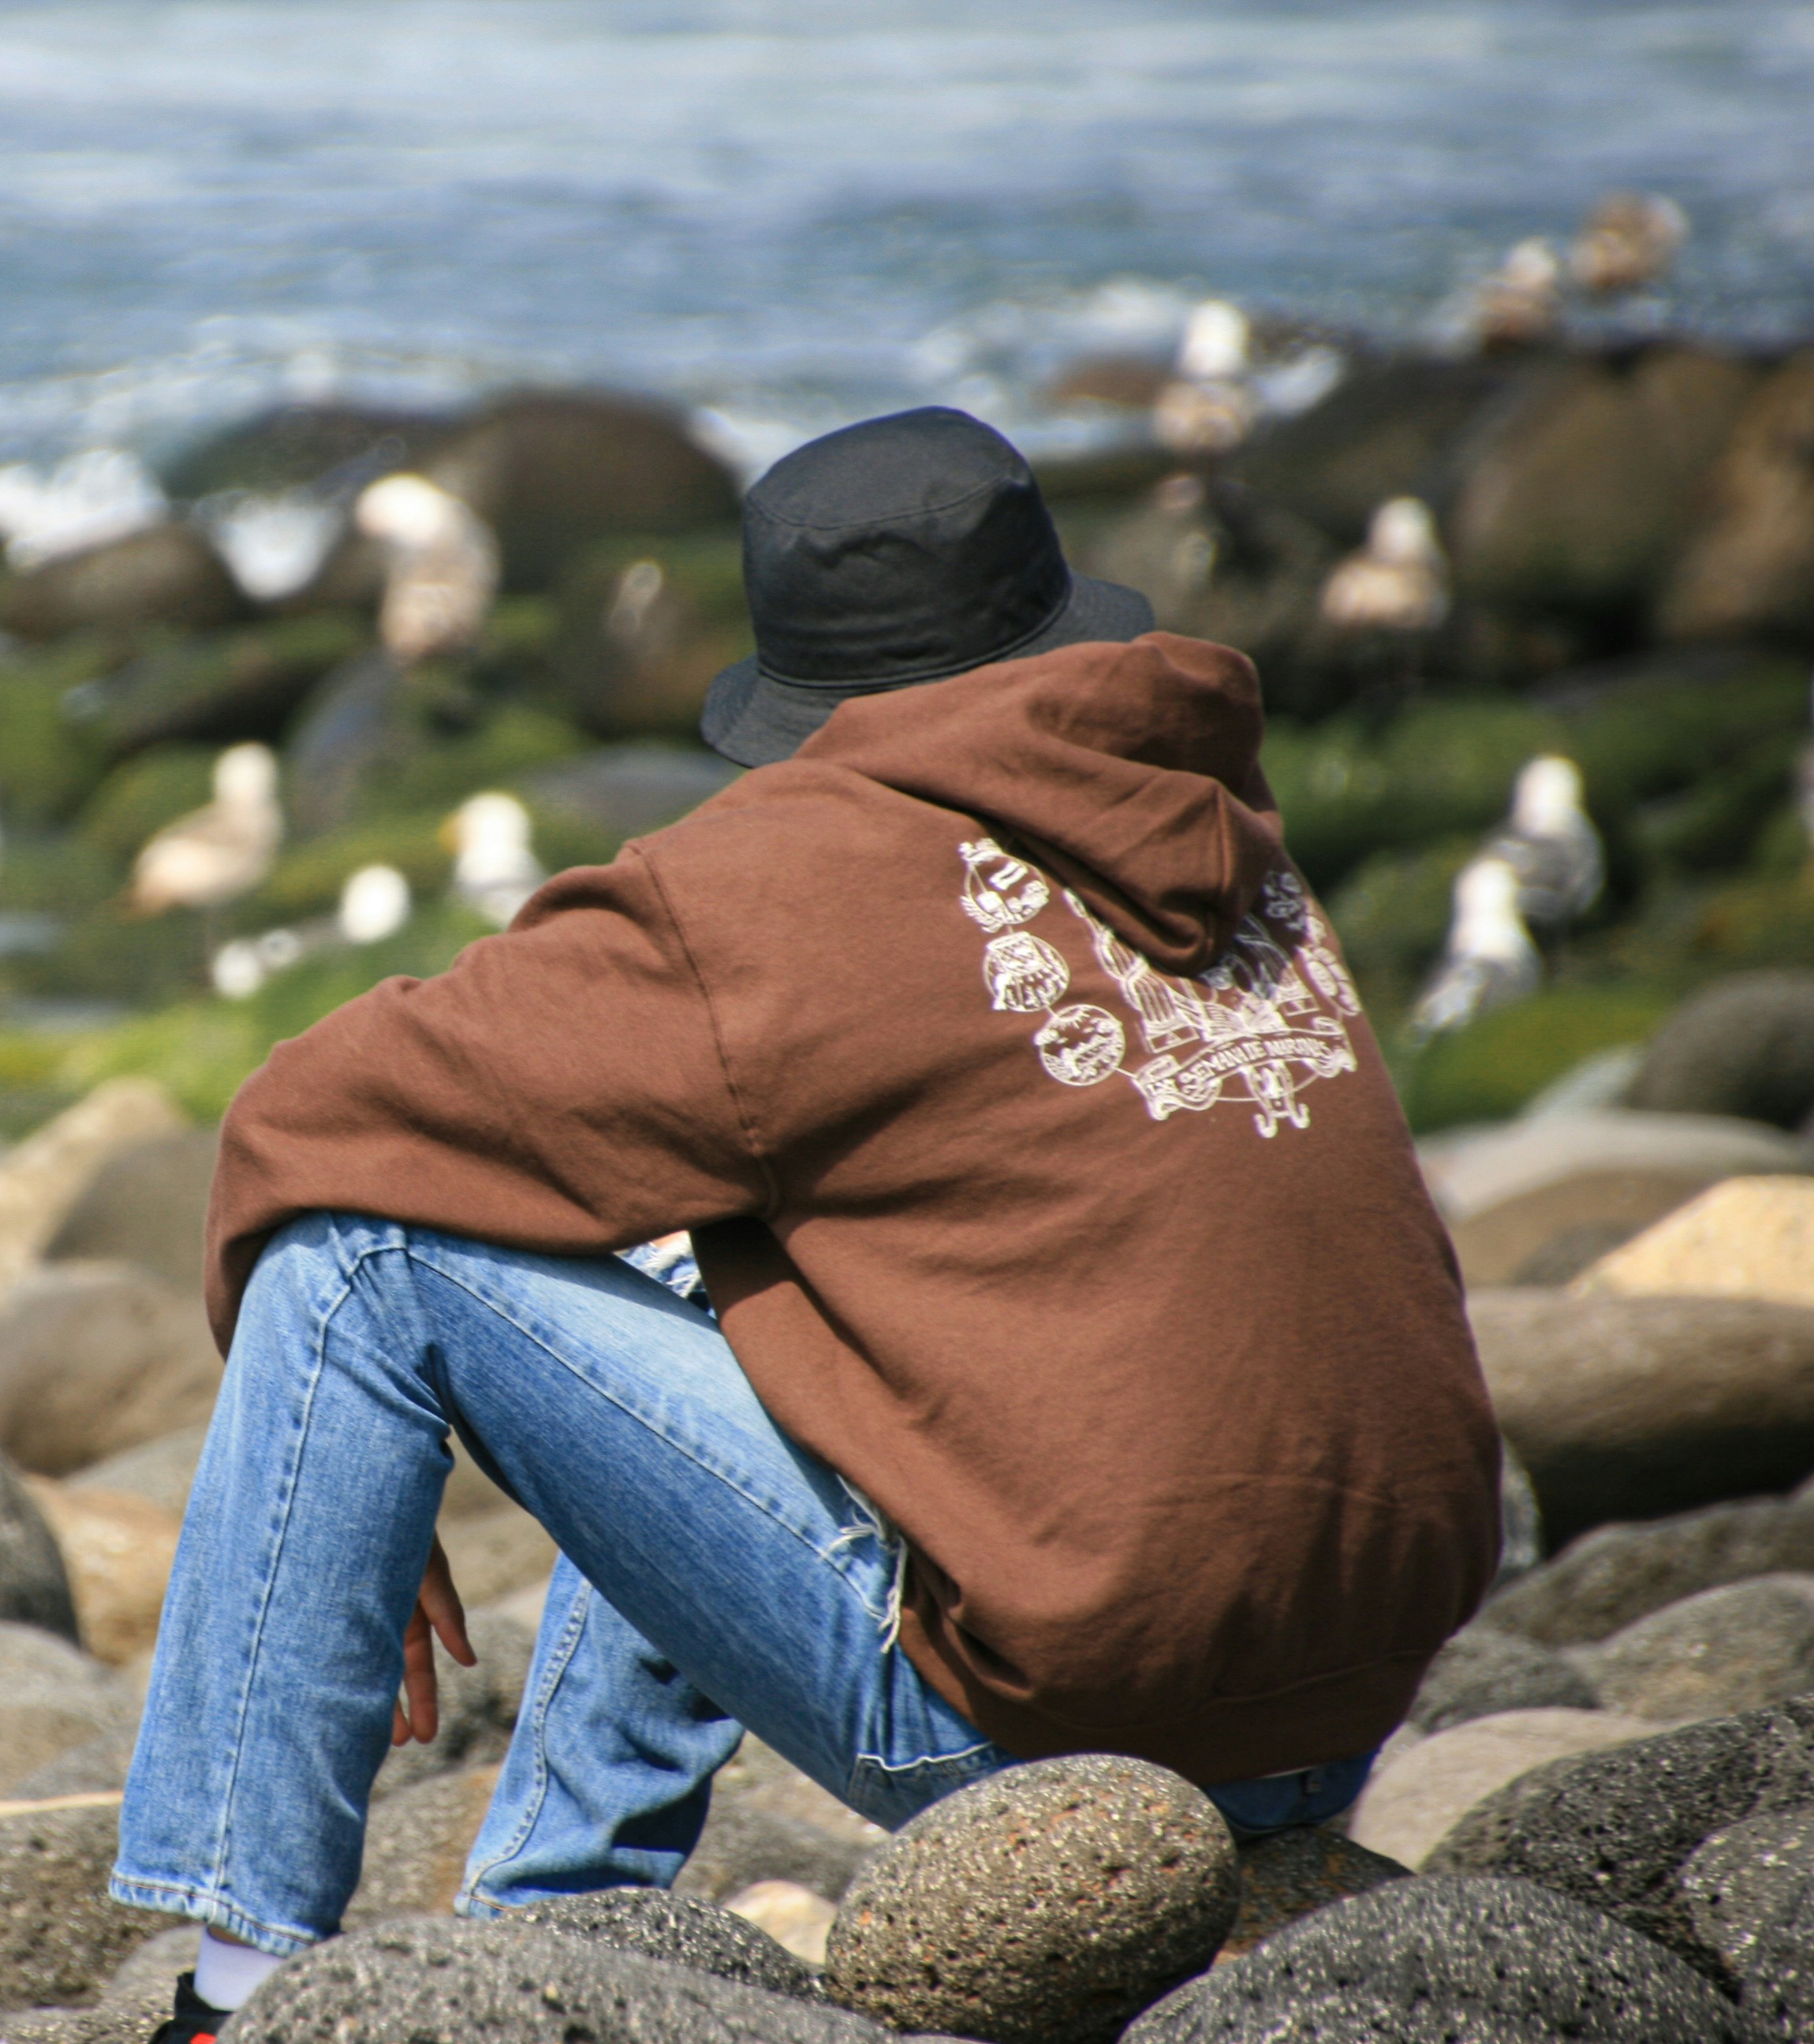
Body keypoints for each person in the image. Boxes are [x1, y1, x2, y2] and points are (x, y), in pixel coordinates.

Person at [110, 407, 1502, 2042]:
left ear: (810, 688)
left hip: (1053, 1728)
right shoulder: (1212, 824)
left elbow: (310, 1112)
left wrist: (347, 1477)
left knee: (359, 1258)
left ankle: (231, 1992)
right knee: (712, 1238)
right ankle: (554, 1923)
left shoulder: (780, 889)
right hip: (1339, 1707)